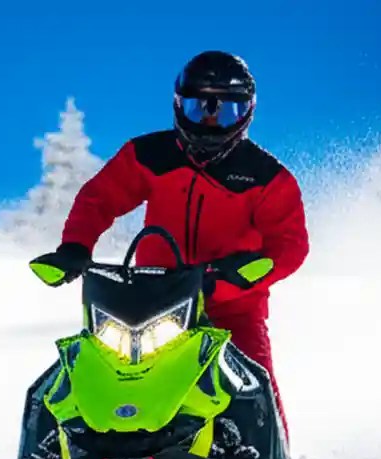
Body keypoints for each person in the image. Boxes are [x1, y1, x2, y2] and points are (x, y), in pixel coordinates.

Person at [29, 50, 309, 431]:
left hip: (231, 306)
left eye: (223, 110)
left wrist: (246, 272)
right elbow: (100, 198)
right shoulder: (149, 155)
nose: (210, 120)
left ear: (245, 112)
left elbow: (289, 245)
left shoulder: (266, 178)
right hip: (149, 297)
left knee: (254, 385)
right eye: (199, 108)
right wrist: (75, 248)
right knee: (72, 372)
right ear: (179, 106)